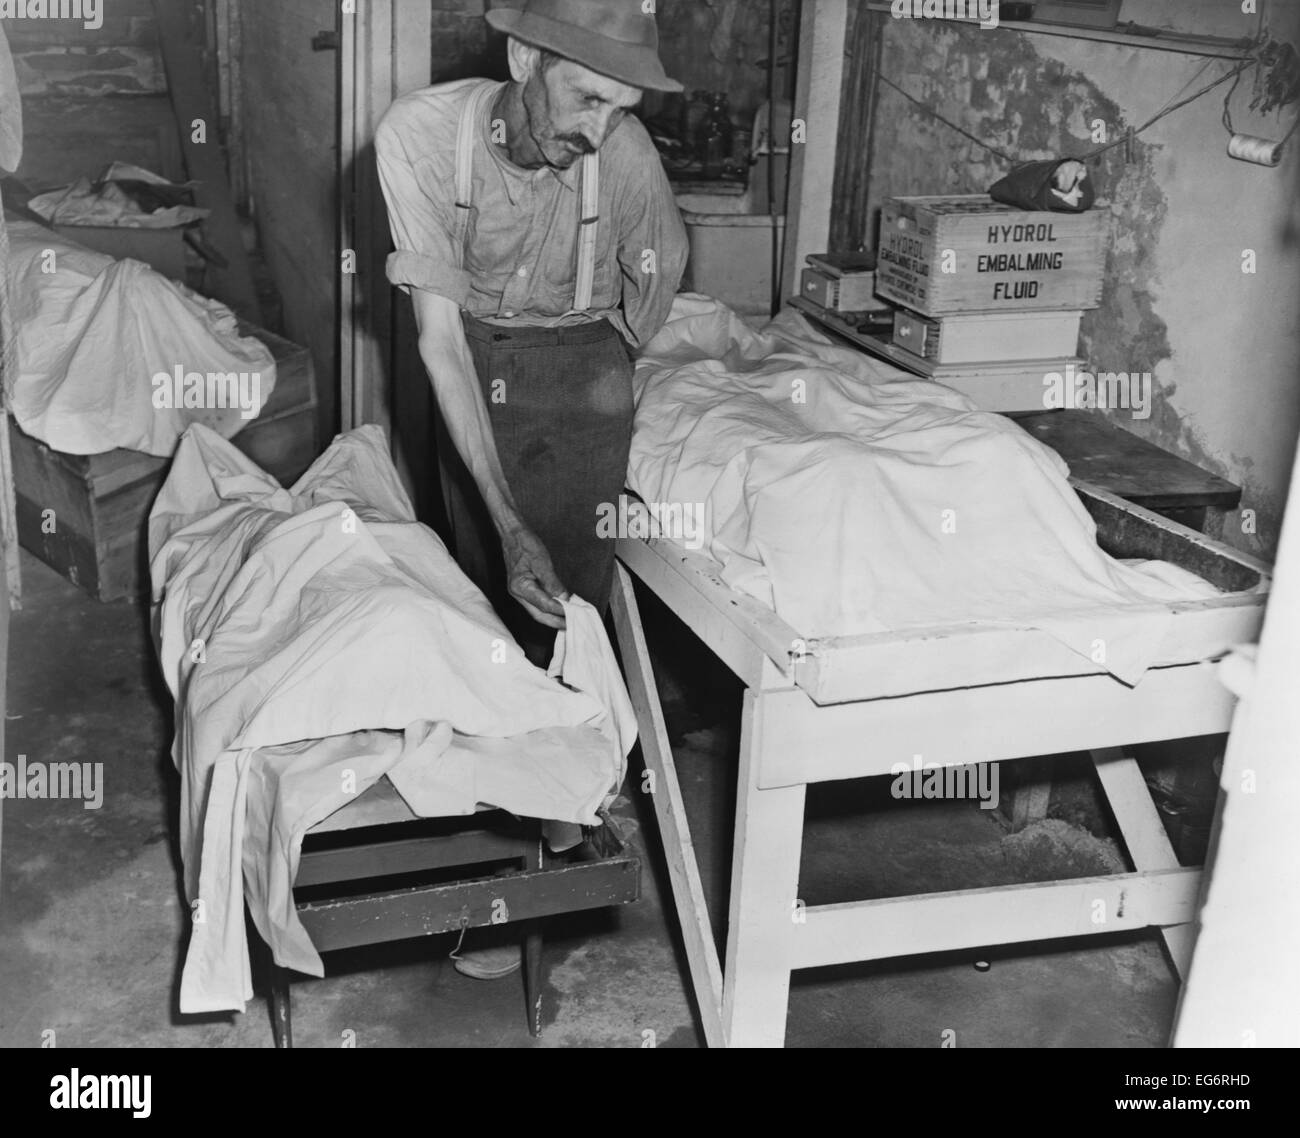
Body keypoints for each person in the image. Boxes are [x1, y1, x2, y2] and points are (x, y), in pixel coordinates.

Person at [375, 0, 687, 978]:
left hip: (583, 361)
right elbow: (436, 340)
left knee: (571, 611)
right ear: (522, 57)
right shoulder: (418, 139)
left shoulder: (623, 153)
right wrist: (506, 520)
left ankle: (557, 846)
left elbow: (662, 261)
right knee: (482, 599)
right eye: (589, 95)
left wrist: (610, 369)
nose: (601, 125)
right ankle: (499, 846)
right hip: (471, 360)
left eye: (623, 103)